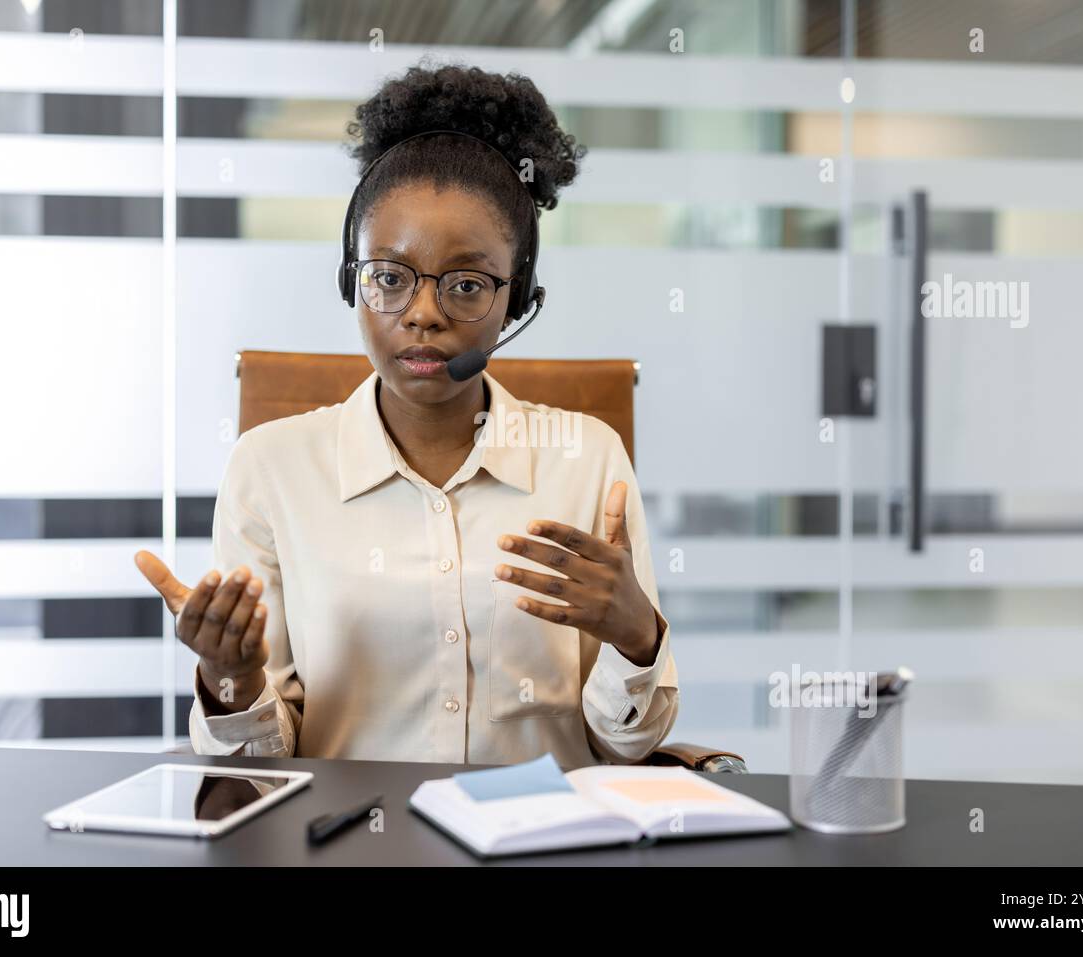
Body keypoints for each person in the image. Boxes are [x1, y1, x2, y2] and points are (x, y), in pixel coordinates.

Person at [135, 60, 678, 767]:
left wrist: (636, 639)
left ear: (517, 300)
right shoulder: (269, 468)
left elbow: (624, 747)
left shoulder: (588, 458)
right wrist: (231, 679)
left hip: (542, 842)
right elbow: (261, 768)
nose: (422, 314)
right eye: (388, 276)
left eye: (466, 283)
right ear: (349, 279)